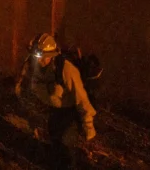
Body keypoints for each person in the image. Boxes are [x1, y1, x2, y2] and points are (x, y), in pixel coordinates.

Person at [15, 33, 96, 169]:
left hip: (71, 112)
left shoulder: (66, 69)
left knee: (66, 145)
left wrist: (89, 128)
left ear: (50, 54)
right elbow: (31, 91)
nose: (38, 60)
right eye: (36, 56)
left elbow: (82, 99)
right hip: (55, 111)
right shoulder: (35, 68)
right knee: (55, 142)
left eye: (41, 56)